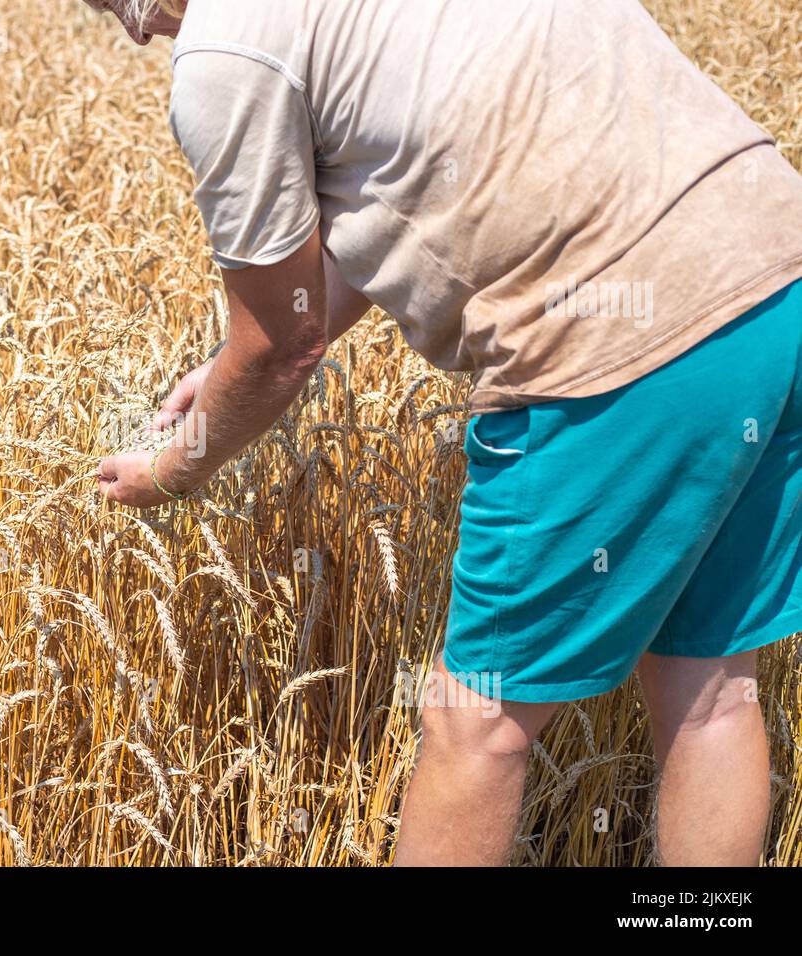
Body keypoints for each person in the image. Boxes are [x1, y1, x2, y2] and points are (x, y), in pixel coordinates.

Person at [86, 0, 802, 866]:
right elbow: (388, 198)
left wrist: (172, 468)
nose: (133, 31)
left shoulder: (227, 50)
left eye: (110, 5)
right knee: (712, 690)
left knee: (477, 724)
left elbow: (283, 346)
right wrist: (231, 363)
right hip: (774, 272)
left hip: (611, 348)